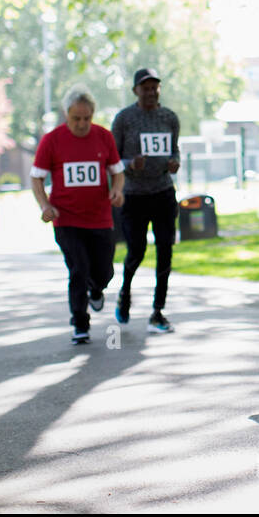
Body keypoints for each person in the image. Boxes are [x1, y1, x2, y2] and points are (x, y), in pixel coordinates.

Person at [31, 86, 126, 345]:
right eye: (76, 118)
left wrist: (117, 191)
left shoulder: (104, 137)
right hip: (67, 218)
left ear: (92, 115)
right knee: (79, 269)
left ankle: (97, 289)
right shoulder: (52, 140)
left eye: (87, 118)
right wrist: (44, 205)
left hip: (100, 217)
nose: (82, 124)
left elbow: (117, 172)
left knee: (104, 271)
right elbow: (36, 178)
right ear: (66, 114)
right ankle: (80, 324)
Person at [111, 68, 182, 334]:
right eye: (145, 88)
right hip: (135, 195)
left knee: (166, 251)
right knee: (137, 250)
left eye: (155, 87)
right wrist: (131, 164)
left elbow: (174, 148)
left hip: (163, 192)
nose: (151, 92)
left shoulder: (169, 117)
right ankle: (125, 293)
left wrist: (175, 162)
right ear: (136, 91)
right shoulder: (124, 119)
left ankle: (157, 312)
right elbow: (112, 160)